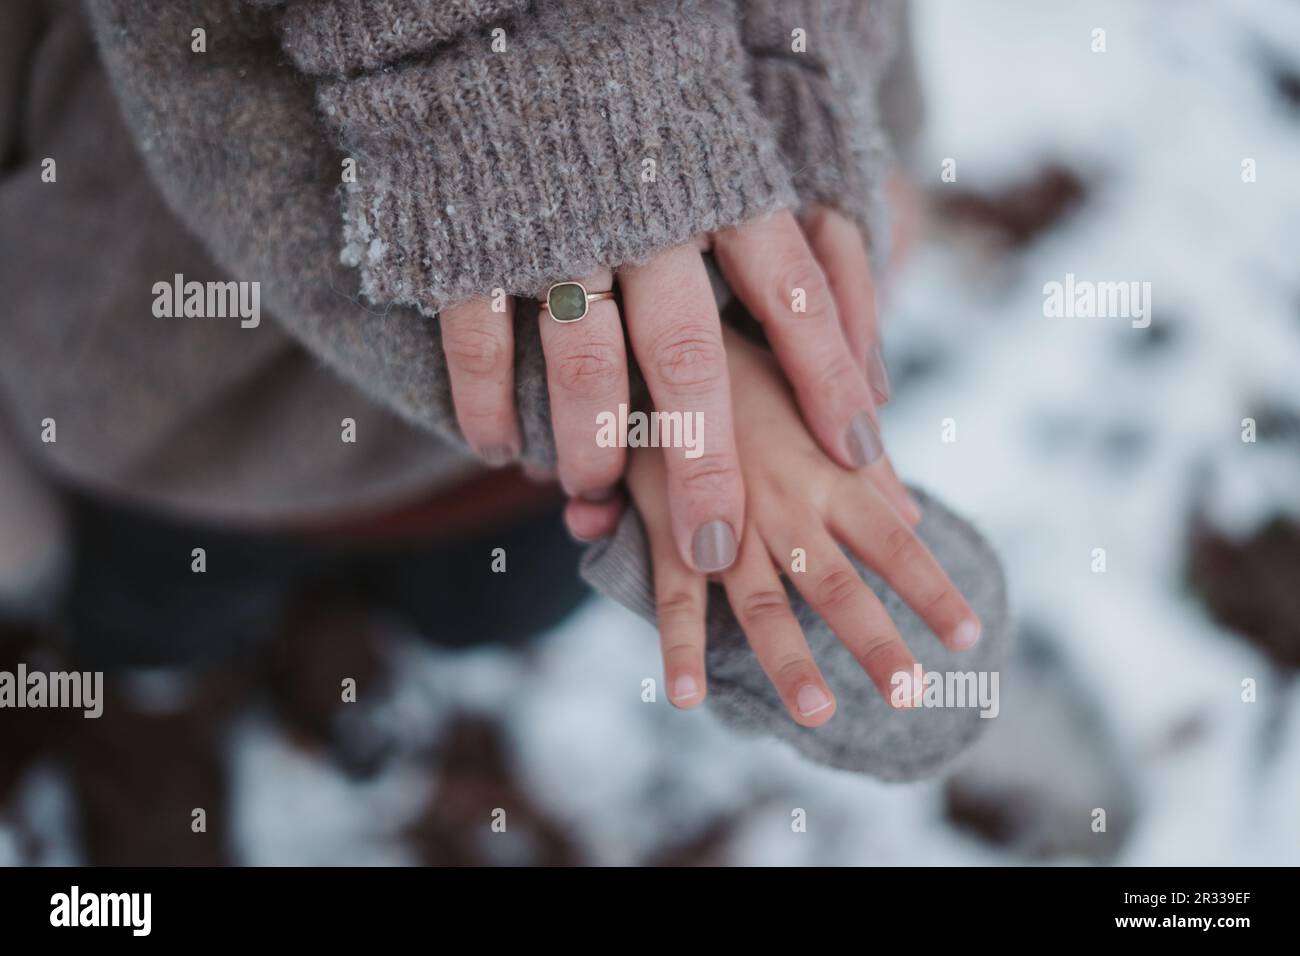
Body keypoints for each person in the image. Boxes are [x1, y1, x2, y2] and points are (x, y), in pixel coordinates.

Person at [0, 0, 1002, 864]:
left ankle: (343, 640)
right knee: (169, 594)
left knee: (475, 602)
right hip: (191, 403)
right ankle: (157, 701)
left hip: (511, 477)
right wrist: (532, 115)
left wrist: (809, 102)